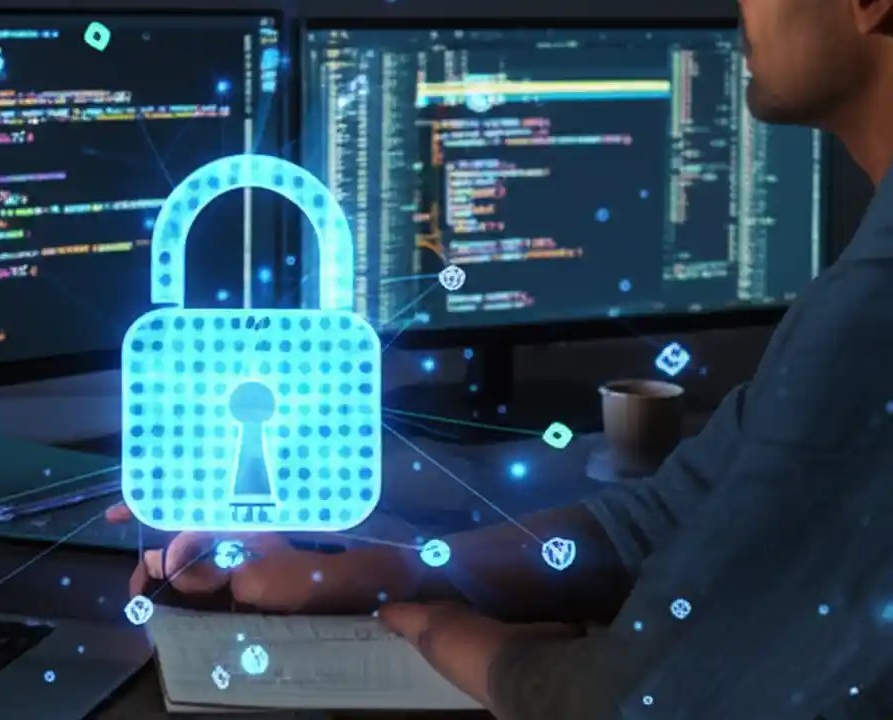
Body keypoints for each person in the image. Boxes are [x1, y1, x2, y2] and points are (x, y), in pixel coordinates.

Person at [109, 0, 893, 716]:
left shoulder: (871, 314)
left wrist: (436, 628)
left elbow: (628, 702)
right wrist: (395, 566)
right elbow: (660, 520)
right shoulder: (858, 287)